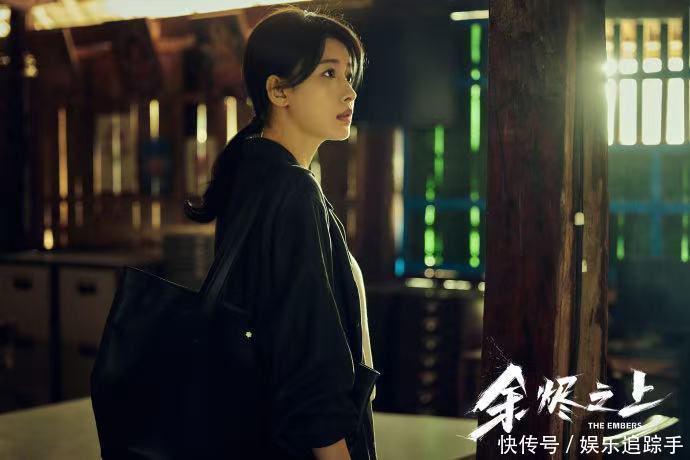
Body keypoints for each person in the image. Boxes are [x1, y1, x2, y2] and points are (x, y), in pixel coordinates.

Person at [184, 6, 379, 460]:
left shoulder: (253, 177)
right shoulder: (292, 191)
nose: (349, 91)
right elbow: (309, 360)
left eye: (348, 75)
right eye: (328, 73)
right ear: (279, 90)